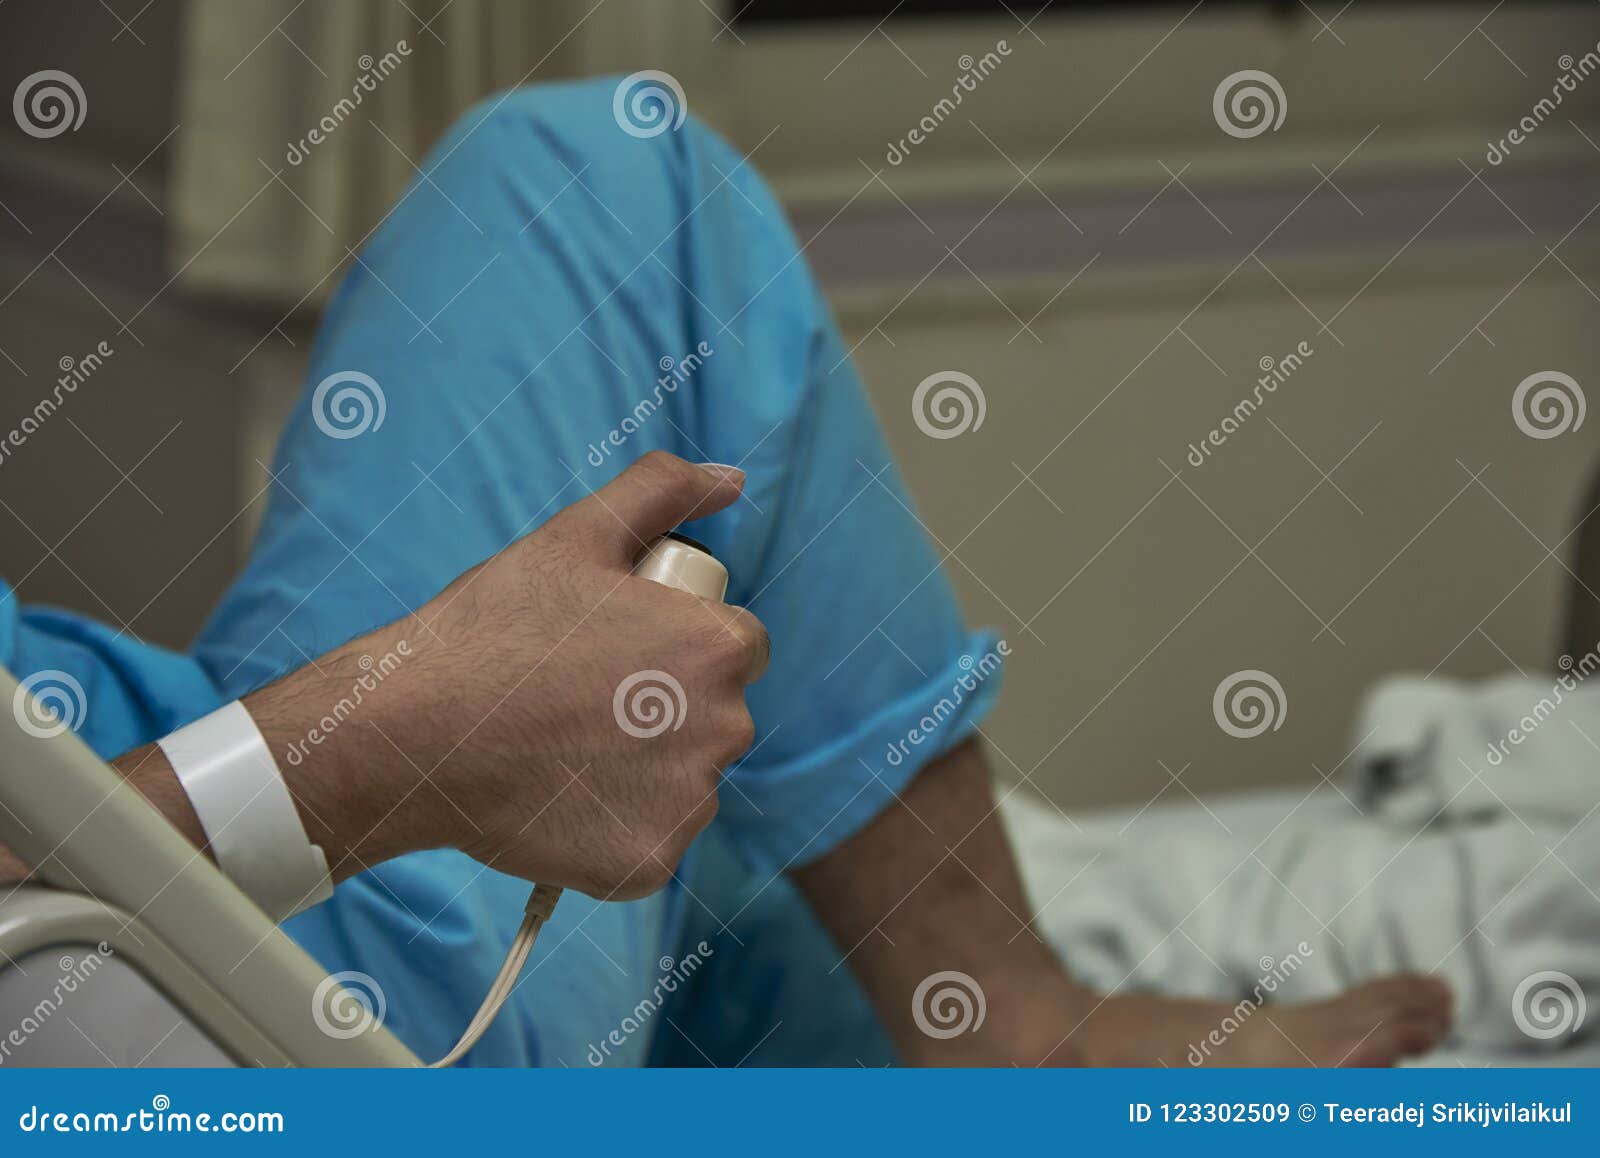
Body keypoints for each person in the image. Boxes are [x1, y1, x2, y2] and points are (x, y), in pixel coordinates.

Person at [0, 79, 1451, 1066]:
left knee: (729, 860)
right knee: (603, 181)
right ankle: (1017, 1026)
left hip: (95, 749)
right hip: (218, 959)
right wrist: (385, 750)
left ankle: (984, 1027)